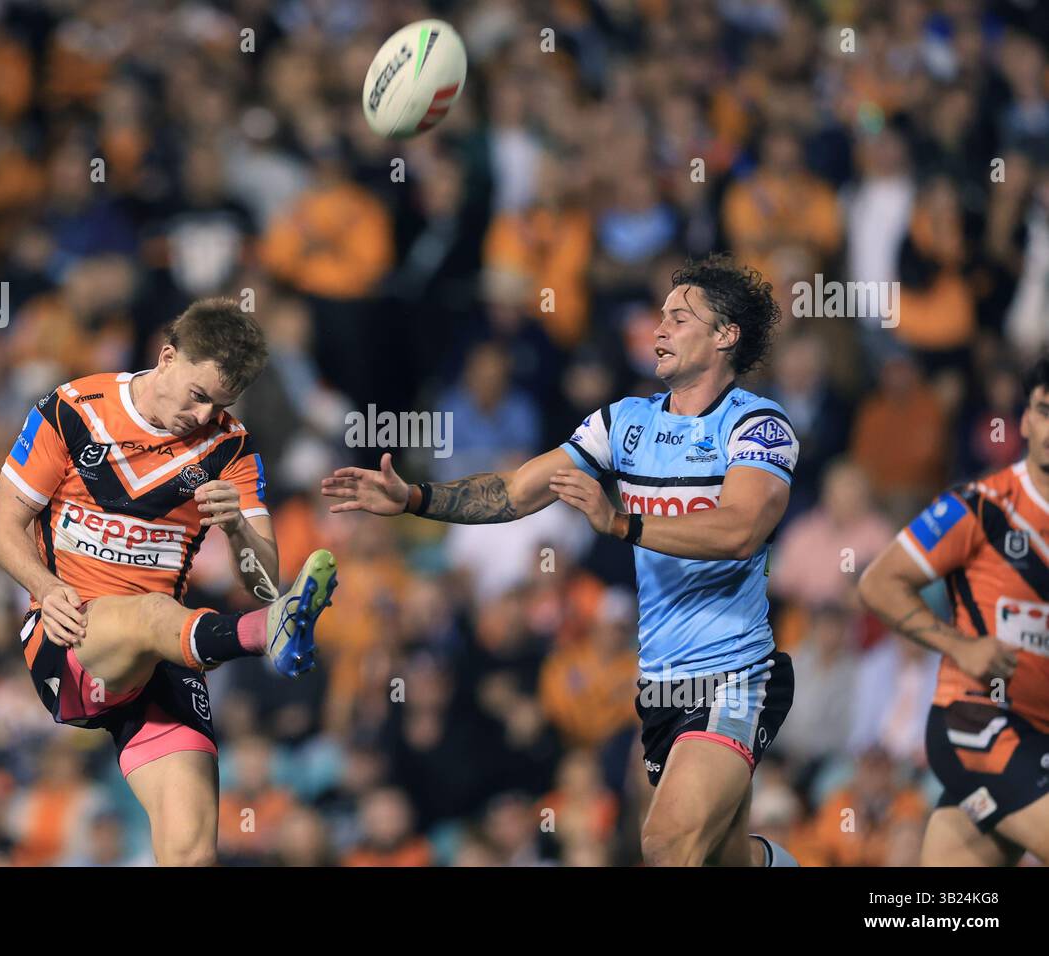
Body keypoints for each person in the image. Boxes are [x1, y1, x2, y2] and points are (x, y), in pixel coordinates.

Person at [324, 254, 800, 866]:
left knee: (665, 843)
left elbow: (739, 529)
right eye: (659, 315)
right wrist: (416, 498)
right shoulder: (624, 422)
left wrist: (618, 522)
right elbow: (517, 490)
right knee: (724, 858)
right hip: (659, 682)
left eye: (679, 318)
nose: (658, 328)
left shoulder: (758, 423)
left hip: (736, 673)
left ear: (725, 335)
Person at [0, 297, 339, 866]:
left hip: (167, 653)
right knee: (151, 612)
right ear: (166, 356)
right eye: (198, 396)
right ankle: (265, 635)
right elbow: (0, 526)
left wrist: (239, 529)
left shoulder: (229, 449)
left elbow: (267, 580)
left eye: (219, 404)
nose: (203, 417)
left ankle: (264, 629)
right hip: (71, 636)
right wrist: (45, 589)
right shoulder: (73, 410)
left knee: (192, 852)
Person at [858, 355, 1049, 866]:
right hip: (978, 721)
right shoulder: (979, 506)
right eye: (1044, 411)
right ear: (1025, 421)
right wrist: (961, 644)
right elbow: (878, 583)